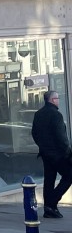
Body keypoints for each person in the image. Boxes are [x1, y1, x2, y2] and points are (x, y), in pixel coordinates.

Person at [32, 90, 72, 218]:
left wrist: (42, 146)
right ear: (52, 100)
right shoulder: (56, 115)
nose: (58, 100)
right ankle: (51, 203)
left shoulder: (38, 114)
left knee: (49, 179)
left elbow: (34, 133)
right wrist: (67, 152)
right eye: (57, 98)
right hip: (58, 154)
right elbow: (61, 137)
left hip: (45, 153)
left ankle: (49, 209)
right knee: (69, 176)